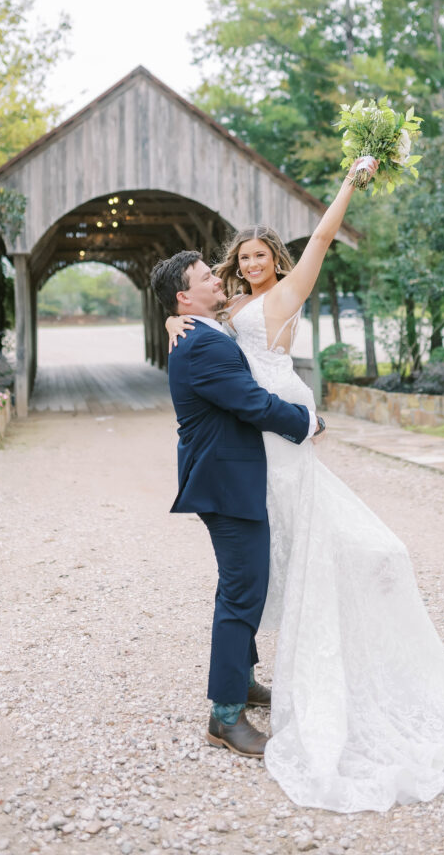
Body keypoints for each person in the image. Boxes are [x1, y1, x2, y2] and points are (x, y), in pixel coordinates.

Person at [165, 158, 444, 813]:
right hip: (255, 451)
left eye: (257, 256)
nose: (242, 267)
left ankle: (254, 681)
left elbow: (318, 240)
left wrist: (349, 182)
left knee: (295, 559)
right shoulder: (213, 323)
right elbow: (227, 374)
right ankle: (231, 700)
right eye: (235, 261)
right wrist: (179, 323)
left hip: (270, 445)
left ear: (274, 261)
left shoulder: (273, 300)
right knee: (250, 575)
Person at [149, 250, 324, 759]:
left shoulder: (202, 331)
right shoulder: (202, 344)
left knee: (243, 584)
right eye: (206, 277)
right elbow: (252, 402)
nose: (216, 279)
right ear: (184, 297)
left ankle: (242, 681)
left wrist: (169, 319)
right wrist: (307, 421)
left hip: (231, 479)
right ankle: (224, 716)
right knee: (241, 591)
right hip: (225, 483)